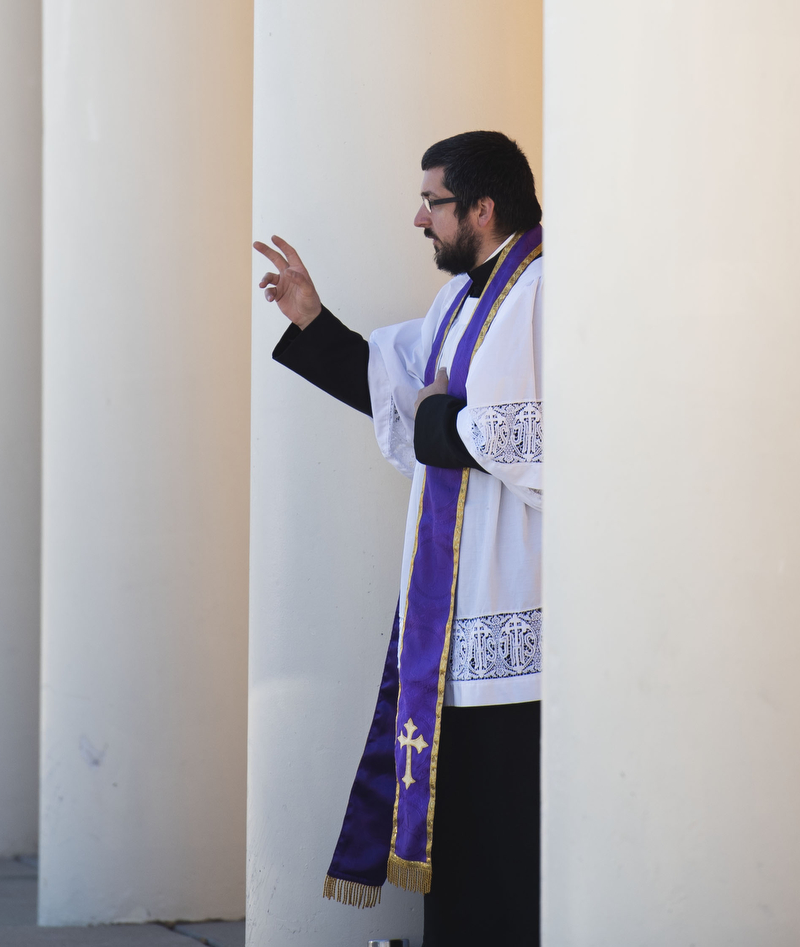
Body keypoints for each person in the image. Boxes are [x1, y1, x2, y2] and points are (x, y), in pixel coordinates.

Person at [254, 130, 543, 947]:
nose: (420, 219)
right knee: (461, 839)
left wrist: (441, 418)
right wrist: (312, 321)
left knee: (506, 834)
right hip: (451, 614)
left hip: (514, 602)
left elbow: (531, 441)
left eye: (433, 202)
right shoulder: (459, 302)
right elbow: (396, 386)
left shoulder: (542, 290)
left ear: (482, 208)